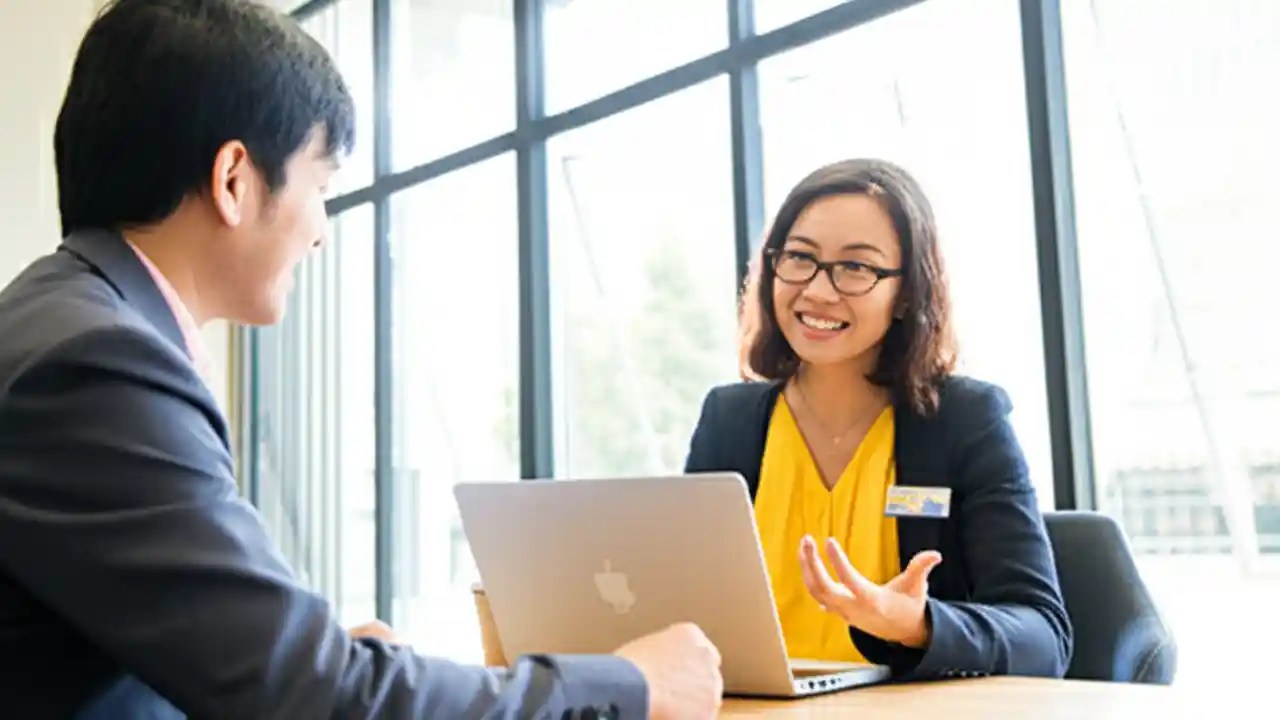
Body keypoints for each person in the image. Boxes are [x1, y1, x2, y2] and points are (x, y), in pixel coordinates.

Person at [0, 1, 721, 717]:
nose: (320, 232)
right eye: (323, 188)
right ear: (234, 181)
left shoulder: (65, 322)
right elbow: (311, 698)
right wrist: (632, 685)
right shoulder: (98, 365)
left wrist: (296, 652)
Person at [685, 158, 1072, 679]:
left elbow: (1044, 635)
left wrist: (918, 625)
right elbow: (683, 605)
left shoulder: (964, 421)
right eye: (799, 258)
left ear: (907, 292)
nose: (818, 291)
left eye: (856, 267)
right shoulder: (727, 420)